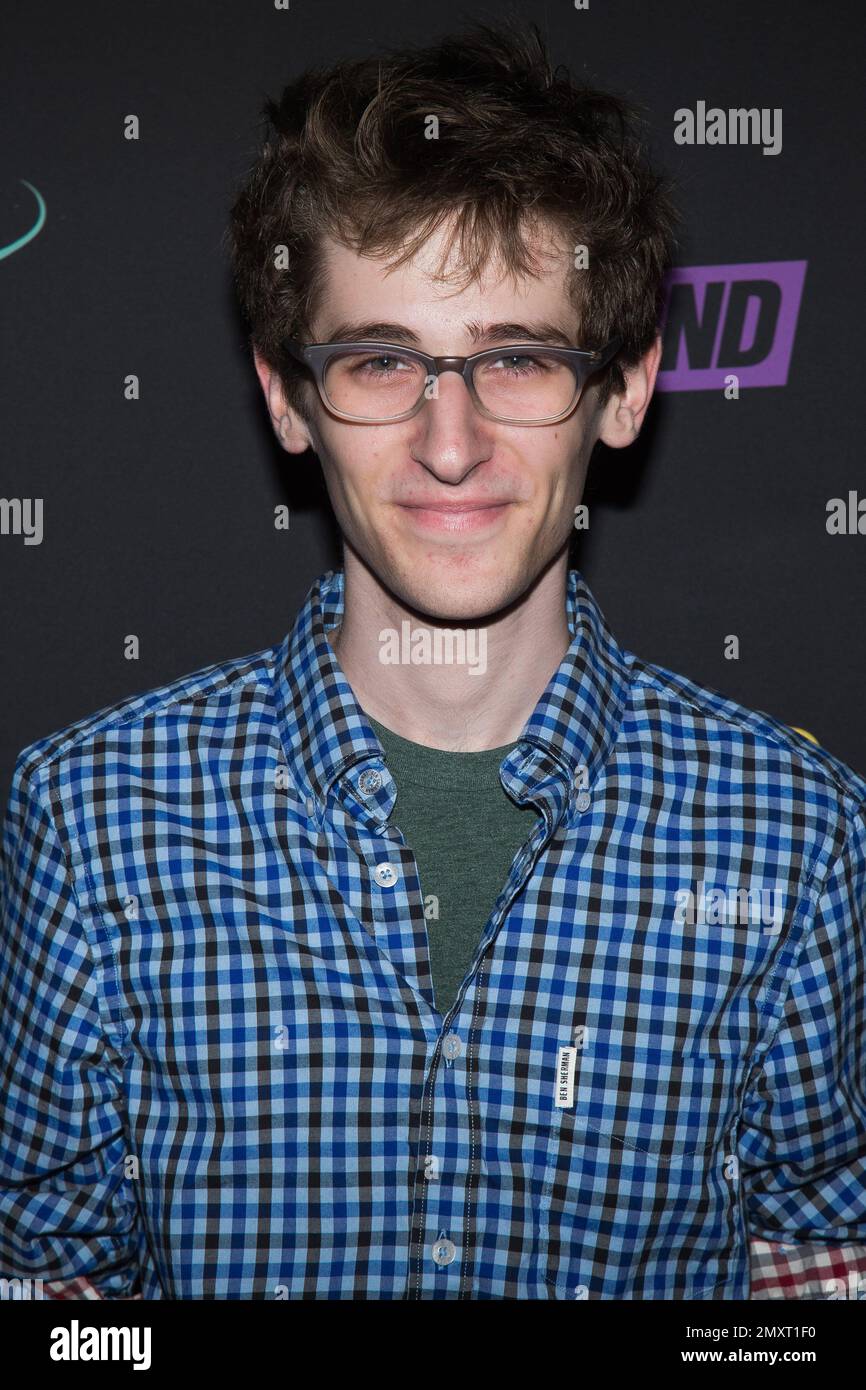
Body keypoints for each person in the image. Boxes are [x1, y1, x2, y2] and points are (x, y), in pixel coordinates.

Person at [1, 20, 864, 1301]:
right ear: (289, 398)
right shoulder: (92, 820)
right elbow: (55, 1307)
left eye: (516, 358)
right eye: (380, 361)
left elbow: (812, 1281)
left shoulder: (794, 836)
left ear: (624, 388)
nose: (446, 443)